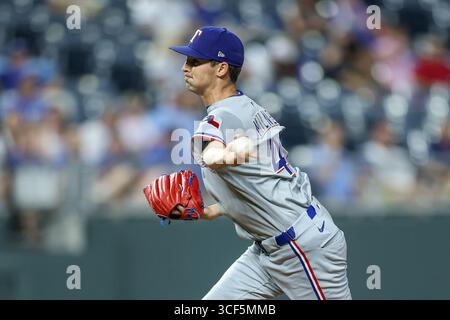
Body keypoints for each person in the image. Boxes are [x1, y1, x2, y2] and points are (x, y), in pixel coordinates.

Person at [169, 26, 352, 300]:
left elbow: (213, 156)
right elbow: (263, 181)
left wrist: (223, 156)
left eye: (195, 61)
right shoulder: (245, 106)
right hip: (271, 249)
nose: (185, 68)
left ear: (221, 69)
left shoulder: (221, 117)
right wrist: (212, 210)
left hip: (303, 248)